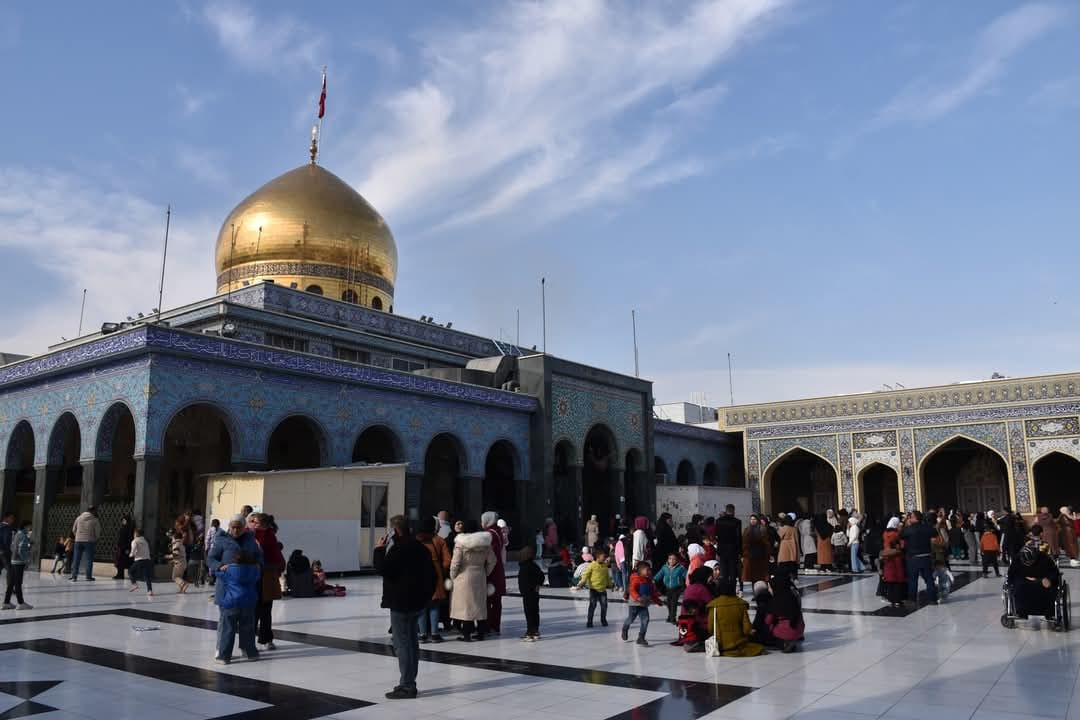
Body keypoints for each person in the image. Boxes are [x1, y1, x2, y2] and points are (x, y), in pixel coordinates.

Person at [374, 515, 437, 700]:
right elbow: (432, 576)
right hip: (417, 603)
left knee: (402, 645)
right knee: (411, 643)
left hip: (401, 604)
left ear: (395, 530)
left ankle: (407, 685)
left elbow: (382, 569)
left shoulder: (398, 549)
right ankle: (409, 682)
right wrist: (425, 598)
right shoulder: (420, 548)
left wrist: (379, 550)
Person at [449, 520, 496, 642]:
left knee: (466, 606)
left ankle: (466, 634)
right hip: (479, 574)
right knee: (479, 604)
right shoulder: (485, 543)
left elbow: (455, 563)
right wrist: (485, 572)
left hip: (464, 576)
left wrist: (453, 576)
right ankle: (481, 632)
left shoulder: (460, 543)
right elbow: (492, 560)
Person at [215, 550, 261, 665]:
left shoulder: (230, 569)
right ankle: (250, 653)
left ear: (236, 559)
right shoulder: (255, 570)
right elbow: (258, 576)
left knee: (228, 629)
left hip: (231, 602)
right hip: (249, 602)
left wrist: (223, 567)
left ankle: (224, 656)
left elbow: (218, 574)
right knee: (248, 629)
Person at [249, 512, 284, 651]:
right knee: (265, 611)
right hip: (267, 576)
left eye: (255, 522)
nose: (252, 524)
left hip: (260, 576)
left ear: (261, 524)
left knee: (256, 611)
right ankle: (266, 639)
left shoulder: (259, 535)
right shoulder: (270, 534)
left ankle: (253, 640)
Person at [705, 578, 765, 657]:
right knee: (759, 647)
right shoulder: (741, 604)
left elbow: (710, 628)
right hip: (739, 644)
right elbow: (747, 629)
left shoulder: (713, 605)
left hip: (720, 645)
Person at [417, 518, 451, 644]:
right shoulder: (439, 540)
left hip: (419, 573)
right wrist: (442, 568)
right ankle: (435, 633)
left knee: (421, 605)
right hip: (436, 572)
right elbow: (448, 560)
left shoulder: (417, 540)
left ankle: (422, 634)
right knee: (434, 604)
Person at [1008, 542, 1061, 621]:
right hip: (1024, 581)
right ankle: (1021, 612)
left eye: (1031, 562)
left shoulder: (1044, 558)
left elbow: (1054, 572)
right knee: (1018, 588)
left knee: (1050, 590)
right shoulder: (1017, 560)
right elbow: (1011, 575)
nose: (1029, 564)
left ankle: (1049, 614)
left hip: (1042, 581)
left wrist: (1049, 580)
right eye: (1027, 563)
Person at [900, 512, 937, 605]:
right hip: (926, 556)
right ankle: (933, 599)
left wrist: (906, 524)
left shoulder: (909, 529)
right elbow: (934, 533)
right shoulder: (927, 527)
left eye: (910, 517)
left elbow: (901, 535)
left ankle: (912, 599)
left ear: (914, 518)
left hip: (913, 558)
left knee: (913, 579)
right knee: (929, 579)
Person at [763, 570, 804, 653]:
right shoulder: (793, 596)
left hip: (785, 631)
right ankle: (791, 640)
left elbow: (768, 621)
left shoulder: (775, 601)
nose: (769, 590)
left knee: (768, 629)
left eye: (770, 587)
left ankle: (784, 643)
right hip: (799, 629)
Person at [622, 561, 662, 645]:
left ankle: (641, 637)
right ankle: (625, 628)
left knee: (646, 620)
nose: (649, 572)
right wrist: (638, 597)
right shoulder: (636, 579)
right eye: (646, 570)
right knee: (630, 619)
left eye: (649, 570)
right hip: (634, 604)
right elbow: (632, 590)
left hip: (644, 604)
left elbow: (652, 593)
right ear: (640, 571)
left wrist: (658, 601)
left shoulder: (649, 581)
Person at [480, 511, 506, 635]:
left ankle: (489, 625)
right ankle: (495, 625)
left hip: (492, 572)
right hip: (498, 570)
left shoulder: (489, 534)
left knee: (488, 600)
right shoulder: (498, 531)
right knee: (496, 601)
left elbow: (490, 557)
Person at [678, 567, 715, 651]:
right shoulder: (701, 588)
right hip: (697, 624)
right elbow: (712, 603)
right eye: (710, 576)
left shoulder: (690, 587)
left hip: (685, 624)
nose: (711, 578)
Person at [576, 547, 613, 627]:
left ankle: (603, 620)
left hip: (602, 590)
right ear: (598, 557)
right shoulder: (592, 565)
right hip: (594, 590)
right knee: (592, 606)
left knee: (604, 606)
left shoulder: (605, 566)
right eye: (603, 557)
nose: (605, 558)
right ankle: (589, 621)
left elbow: (607, 577)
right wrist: (581, 583)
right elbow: (586, 575)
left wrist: (610, 585)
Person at [2, 520, 32, 610]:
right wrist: (25, 560)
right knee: (18, 582)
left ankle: (6, 602)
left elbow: (11, 546)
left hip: (13, 560)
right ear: (25, 526)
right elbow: (21, 549)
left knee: (11, 583)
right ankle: (21, 603)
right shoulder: (23, 536)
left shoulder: (16, 535)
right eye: (29, 527)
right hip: (19, 562)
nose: (30, 528)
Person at [517, 544, 544, 641]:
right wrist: (537, 585)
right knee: (535, 612)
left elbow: (524, 582)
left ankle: (530, 632)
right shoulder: (534, 566)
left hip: (528, 594)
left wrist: (526, 590)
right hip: (534, 593)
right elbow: (542, 577)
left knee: (529, 613)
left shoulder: (524, 567)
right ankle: (535, 631)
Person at [70, 506, 101, 581]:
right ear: (93, 511)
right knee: (89, 559)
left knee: (76, 559)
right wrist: (95, 538)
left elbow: (73, 529)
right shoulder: (94, 519)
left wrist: (77, 536)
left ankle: (74, 576)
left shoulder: (79, 518)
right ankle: (88, 576)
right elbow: (97, 532)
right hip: (89, 541)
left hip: (78, 541)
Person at [880, 518, 906, 607]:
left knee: (890, 579)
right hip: (896, 558)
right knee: (897, 579)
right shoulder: (896, 534)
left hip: (887, 558)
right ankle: (898, 599)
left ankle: (891, 599)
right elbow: (902, 545)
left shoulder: (885, 534)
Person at [655, 553, 687, 624]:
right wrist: (654, 579)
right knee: (669, 602)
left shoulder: (680, 568)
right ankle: (670, 616)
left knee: (674, 602)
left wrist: (689, 581)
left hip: (677, 588)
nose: (672, 561)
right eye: (670, 559)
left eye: (674, 559)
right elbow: (659, 574)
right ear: (668, 560)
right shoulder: (665, 567)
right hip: (668, 587)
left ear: (677, 560)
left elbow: (686, 576)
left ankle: (673, 618)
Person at [714, 505, 742, 583]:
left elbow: (717, 535)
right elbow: (738, 537)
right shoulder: (737, 521)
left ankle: (724, 589)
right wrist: (740, 551)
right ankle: (732, 590)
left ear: (726, 510)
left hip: (722, 549)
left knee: (724, 571)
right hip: (733, 550)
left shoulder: (719, 521)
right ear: (733, 511)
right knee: (733, 571)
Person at [742, 515, 770, 585]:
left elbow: (766, 542)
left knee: (761, 574)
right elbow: (744, 542)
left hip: (760, 555)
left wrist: (767, 553)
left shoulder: (762, 529)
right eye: (751, 519)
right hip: (750, 555)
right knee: (753, 575)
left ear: (757, 520)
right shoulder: (747, 529)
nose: (753, 520)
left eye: (754, 519)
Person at [128, 528, 154, 597]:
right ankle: (150, 591)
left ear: (136, 534)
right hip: (147, 560)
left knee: (130, 571)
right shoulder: (145, 541)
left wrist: (130, 554)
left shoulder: (135, 541)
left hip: (139, 560)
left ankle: (134, 584)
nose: (133, 535)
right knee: (147, 576)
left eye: (134, 533)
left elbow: (133, 550)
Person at [0, 513, 13, 588]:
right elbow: (6, 540)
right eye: (11, 518)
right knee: (10, 570)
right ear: (6, 518)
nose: (12, 520)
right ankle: (10, 588)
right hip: (4, 552)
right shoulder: (7, 527)